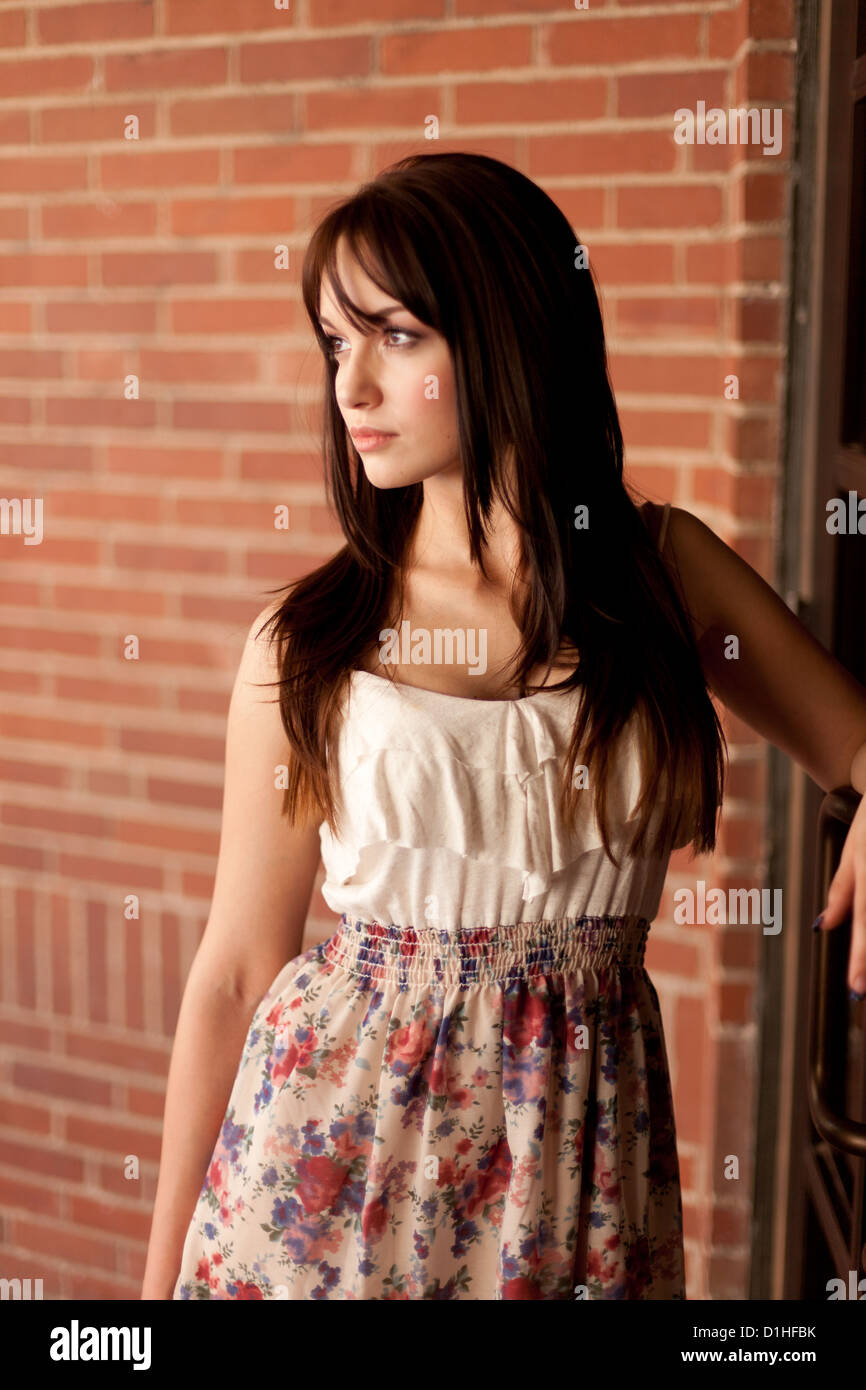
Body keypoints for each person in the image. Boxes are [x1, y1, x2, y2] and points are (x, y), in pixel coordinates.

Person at [141, 152, 866, 1301]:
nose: (351, 387)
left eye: (396, 336)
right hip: (326, 1181)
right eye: (336, 343)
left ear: (508, 331)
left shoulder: (663, 576)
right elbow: (236, 969)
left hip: (575, 1179)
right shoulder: (312, 635)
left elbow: (852, 738)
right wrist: (152, 1288)